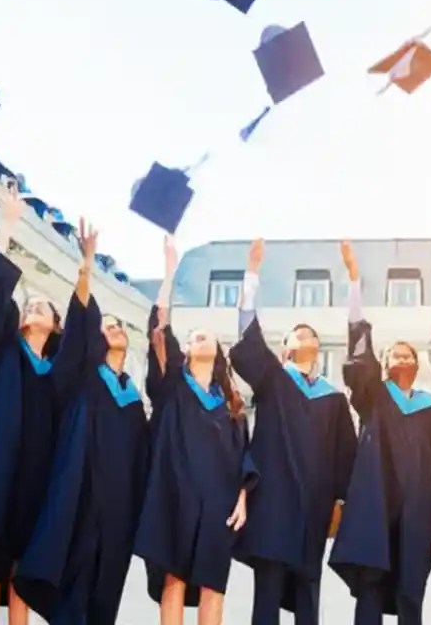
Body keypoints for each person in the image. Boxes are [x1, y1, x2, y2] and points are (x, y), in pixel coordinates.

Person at [13, 221, 151, 625]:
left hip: (120, 507)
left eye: (120, 325)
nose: (116, 329)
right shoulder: (82, 377)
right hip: (82, 497)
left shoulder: (132, 397)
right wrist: (86, 265)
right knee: (75, 592)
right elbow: (79, 328)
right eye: (107, 325)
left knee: (108, 592)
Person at [0, 181, 88, 625]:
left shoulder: (58, 372)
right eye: (30, 304)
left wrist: (86, 266)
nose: (34, 308)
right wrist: (7, 226)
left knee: (23, 559)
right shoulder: (2, 349)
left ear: (57, 325)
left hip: (39, 474)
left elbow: (83, 342)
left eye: (44, 306)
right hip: (0, 465)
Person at [329, 240, 431, 625]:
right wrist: (355, 285)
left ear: (418, 366)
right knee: (371, 586)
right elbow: (360, 356)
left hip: (418, 508)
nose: (402, 359)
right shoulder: (373, 396)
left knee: (410, 591)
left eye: (409, 355)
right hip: (375, 503)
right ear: (384, 366)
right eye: (394, 355)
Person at [229, 239, 358, 625]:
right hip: (272, 504)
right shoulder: (273, 380)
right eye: (297, 332)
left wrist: (341, 506)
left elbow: (346, 459)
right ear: (283, 349)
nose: (306, 335)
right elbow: (247, 338)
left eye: (311, 333)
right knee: (267, 594)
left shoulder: (333, 399)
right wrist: (251, 274)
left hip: (313, 509)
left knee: (308, 592)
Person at [135, 235, 259, 625]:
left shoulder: (232, 406)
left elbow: (245, 457)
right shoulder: (173, 387)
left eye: (204, 335)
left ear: (220, 349)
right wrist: (169, 273)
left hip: (218, 502)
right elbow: (158, 327)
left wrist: (242, 498)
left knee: (212, 584)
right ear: (184, 352)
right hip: (173, 493)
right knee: (173, 578)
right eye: (192, 338)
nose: (196, 339)